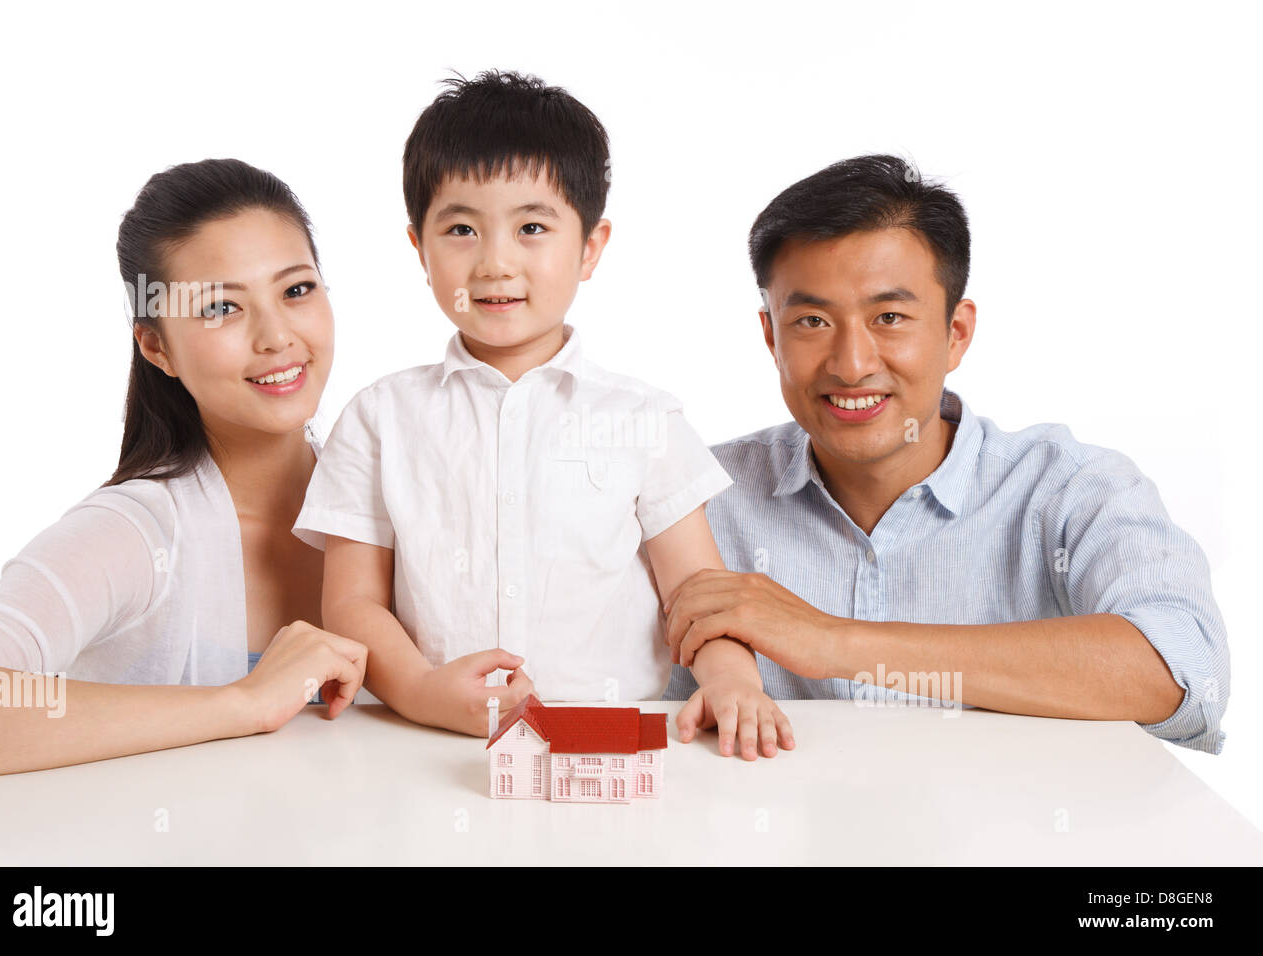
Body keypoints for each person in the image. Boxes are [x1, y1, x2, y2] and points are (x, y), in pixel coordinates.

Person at [293, 70, 794, 760]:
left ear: (590, 247)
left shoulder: (645, 417)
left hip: (612, 745)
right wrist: (420, 690)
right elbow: (352, 604)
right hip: (423, 747)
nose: (496, 263)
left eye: (532, 227)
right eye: (461, 229)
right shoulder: (380, 417)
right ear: (420, 249)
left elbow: (697, 594)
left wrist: (734, 681)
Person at [663, 153, 1229, 755]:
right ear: (771, 336)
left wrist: (833, 641)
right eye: (811, 321)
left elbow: (1181, 670)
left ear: (955, 332)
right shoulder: (688, 495)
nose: (852, 365)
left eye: (889, 317)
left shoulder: (1072, 488)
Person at [0, 158, 368, 777]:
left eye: (296, 290)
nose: (276, 336)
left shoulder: (390, 497)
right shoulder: (139, 531)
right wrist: (242, 702)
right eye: (220, 308)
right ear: (157, 347)